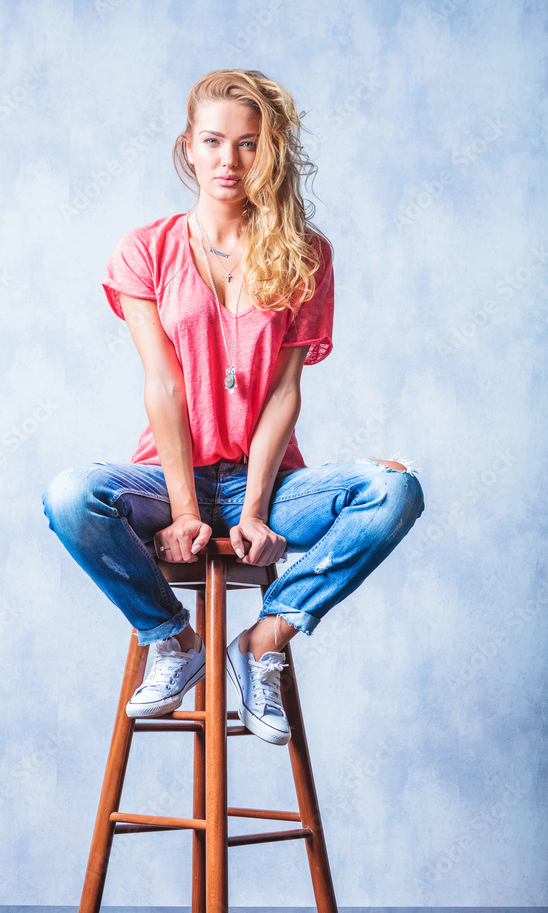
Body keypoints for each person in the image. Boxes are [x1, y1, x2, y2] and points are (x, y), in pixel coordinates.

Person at [42, 69, 425, 748]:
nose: (229, 160)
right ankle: (174, 637)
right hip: (168, 478)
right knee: (71, 496)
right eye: (214, 141)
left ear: (269, 151)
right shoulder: (145, 251)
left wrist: (251, 511)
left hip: (270, 482)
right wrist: (187, 512)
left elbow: (283, 393)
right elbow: (163, 385)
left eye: (248, 144)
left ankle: (265, 639)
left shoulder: (305, 255)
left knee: (394, 490)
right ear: (187, 146)